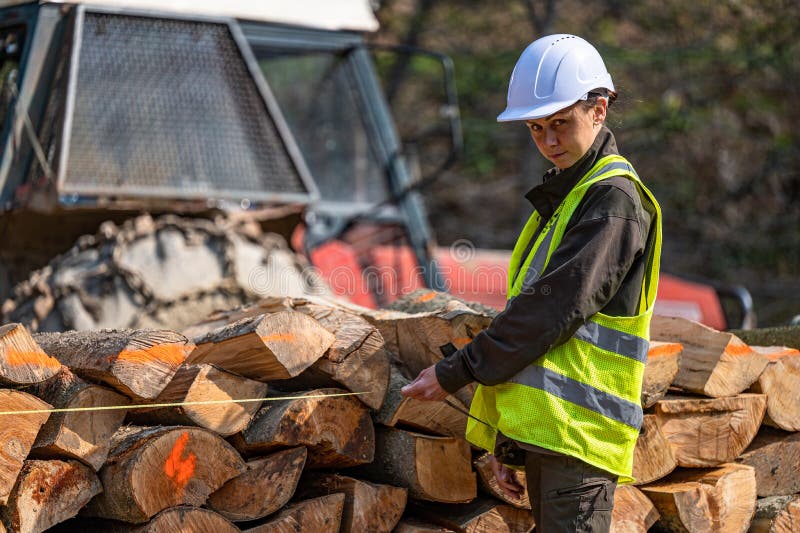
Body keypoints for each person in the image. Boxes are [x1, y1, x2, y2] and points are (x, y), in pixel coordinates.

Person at [401, 34, 662, 532]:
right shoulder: (566, 197)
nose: (548, 141)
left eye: (560, 123)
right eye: (536, 127)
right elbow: (535, 328)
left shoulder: (614, 201)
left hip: (578, 441)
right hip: (553, 440)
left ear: (599, 110)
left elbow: (549, 313)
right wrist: (509, 439)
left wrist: (457, 371)